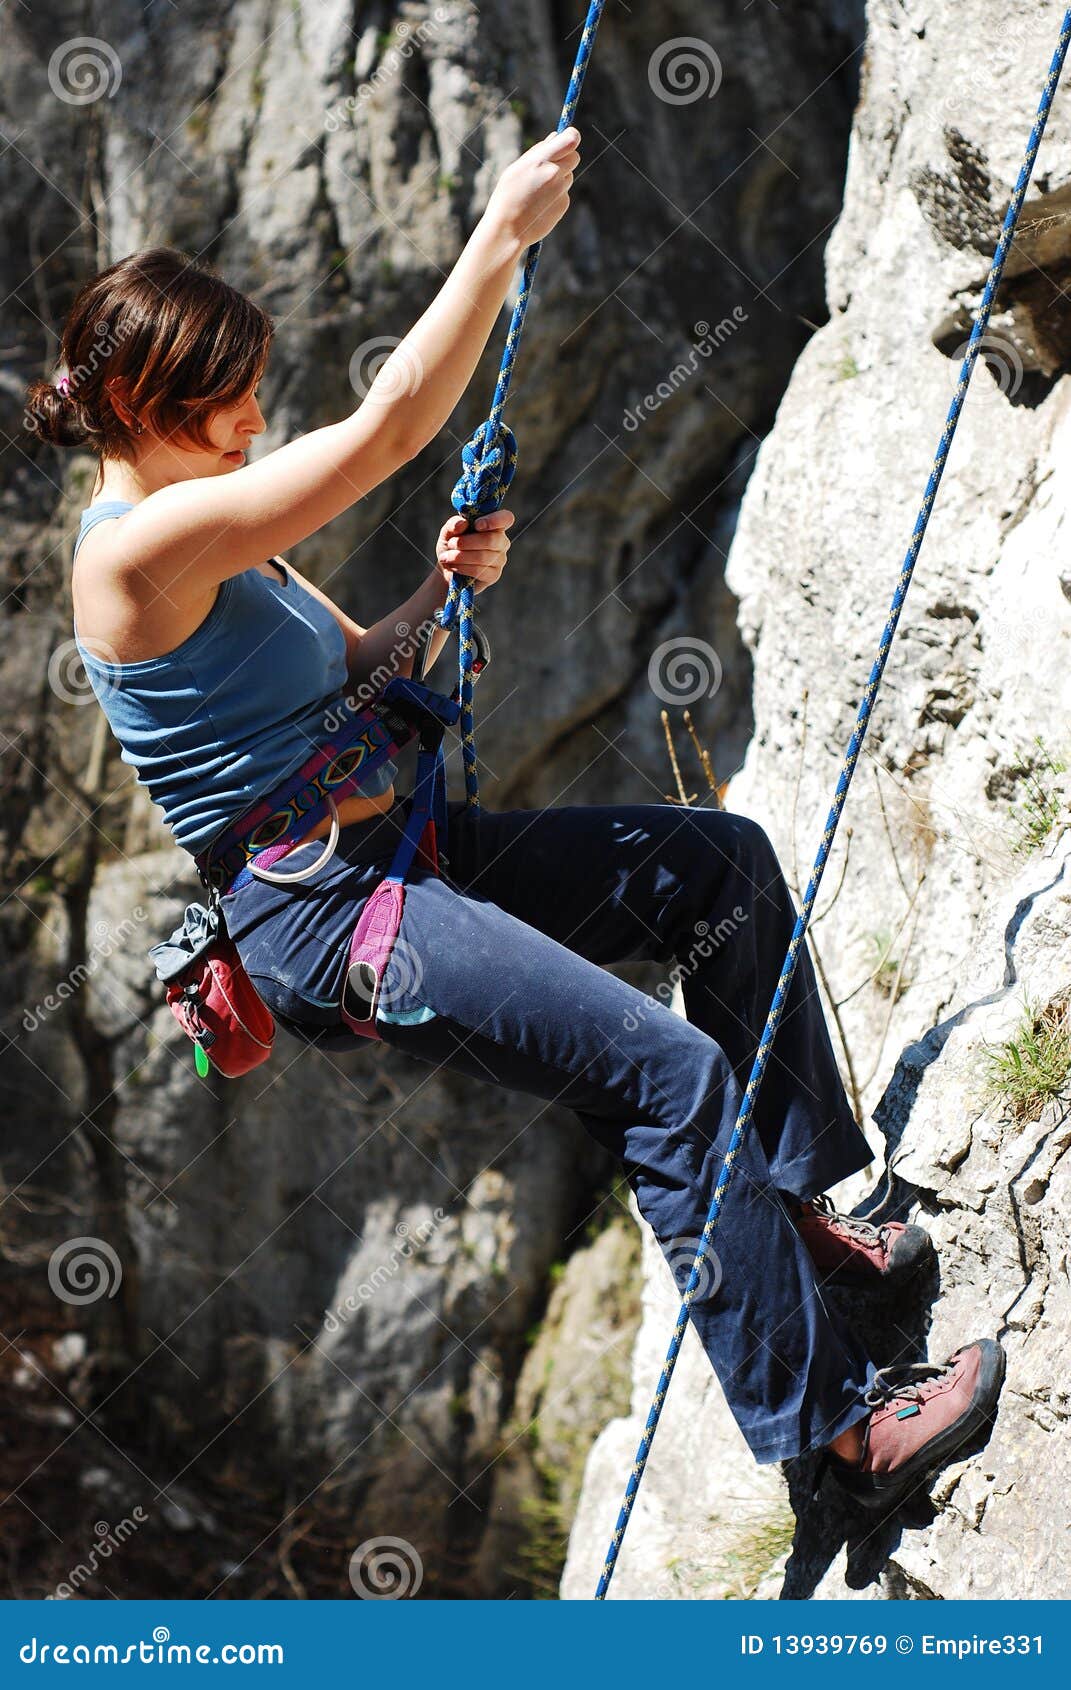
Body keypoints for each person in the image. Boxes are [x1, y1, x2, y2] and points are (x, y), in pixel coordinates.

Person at [29, 124, 1005, 1517]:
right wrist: (499, 235)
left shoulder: (211, 532)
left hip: (404, 861)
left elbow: (361, 664)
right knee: (667, 1076)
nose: (252, 417)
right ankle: (845, 1437)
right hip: (335, 919)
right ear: (136, 398)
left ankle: (795, 1224)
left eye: (250, 391)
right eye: (227, 398)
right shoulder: (132, 557)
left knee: (717, 866)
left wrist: (442, 590)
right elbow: (384, 433)